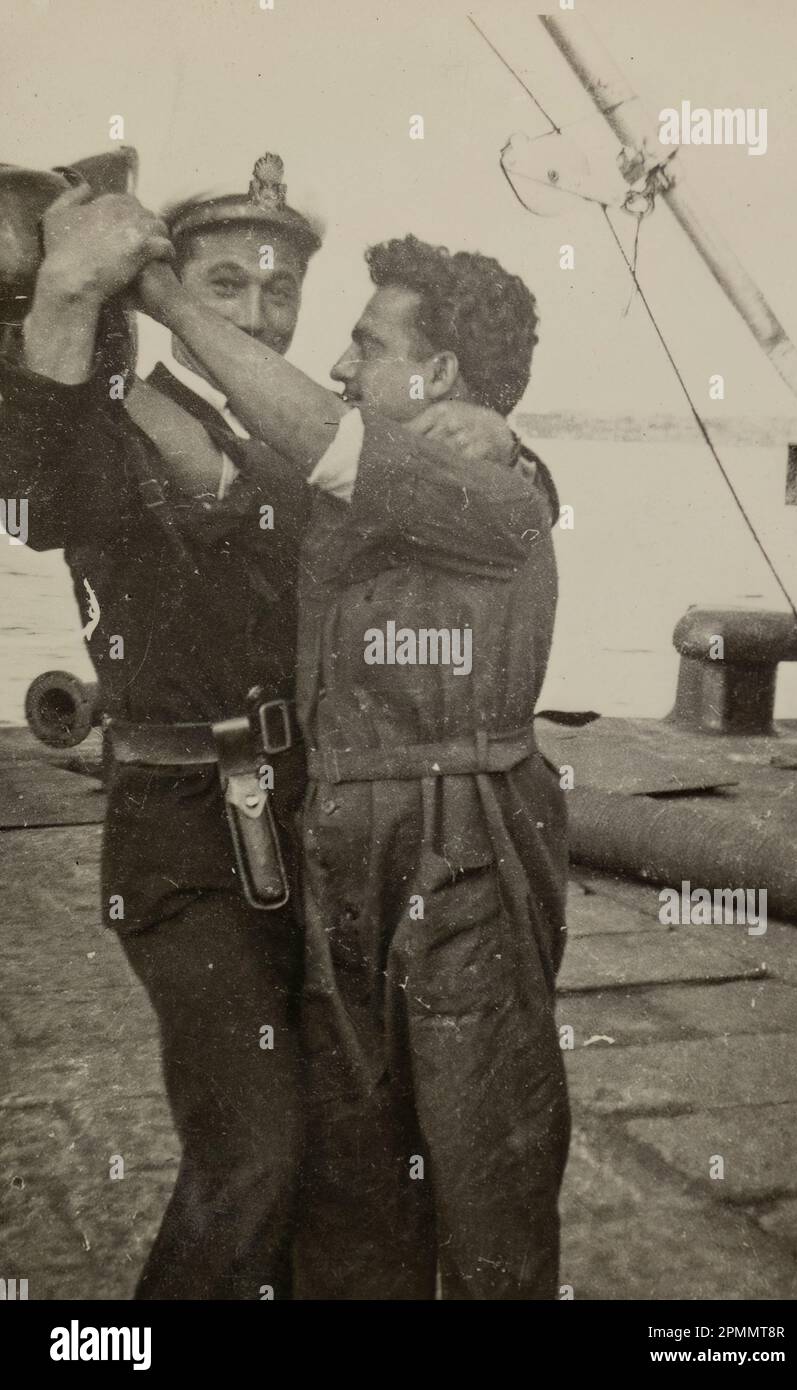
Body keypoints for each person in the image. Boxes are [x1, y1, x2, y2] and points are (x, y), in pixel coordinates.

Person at [136, 230, 572, 1300]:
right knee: (350, 1183)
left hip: (460, 854)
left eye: (365, 342)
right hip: (343, 859)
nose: (339, 361)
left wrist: (164, 297)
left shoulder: (492, 491)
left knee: (485, 1178)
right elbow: (241, 445)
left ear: (441, 372)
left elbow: (328, 436)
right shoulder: (385, 479)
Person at [0, 155, 320, 1299]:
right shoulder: (110, 410)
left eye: (278, 290)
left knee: (317, 1148)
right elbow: (31, 493)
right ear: (161, 287)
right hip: (181, 844)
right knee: (252, 1149)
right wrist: (69, 298)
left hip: (307, 824)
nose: (258, 313)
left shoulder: (300, 428)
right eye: (223, 285)